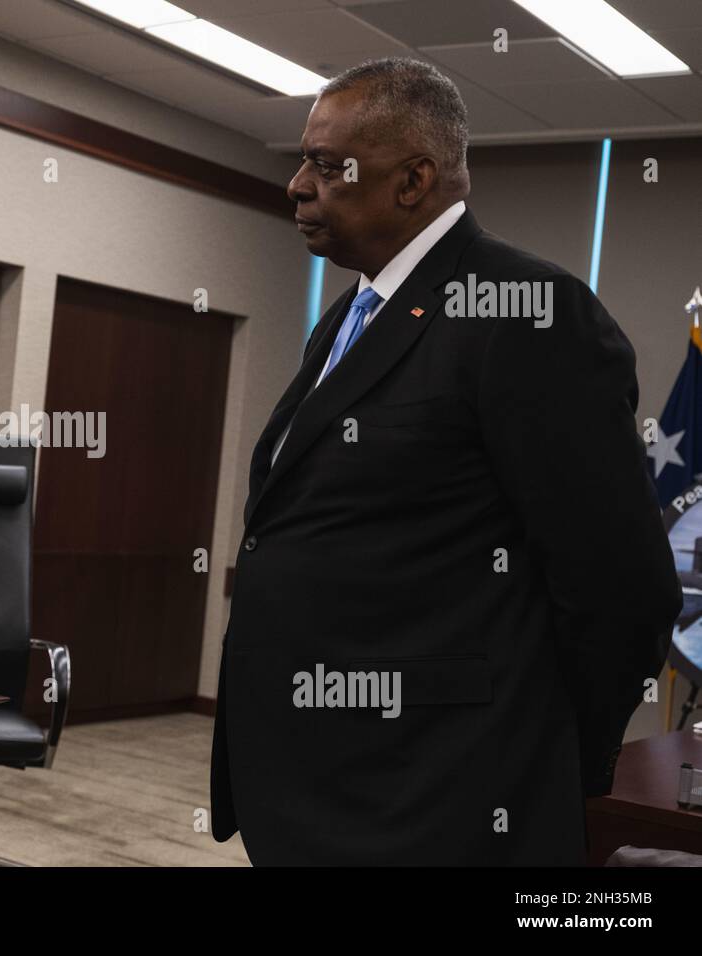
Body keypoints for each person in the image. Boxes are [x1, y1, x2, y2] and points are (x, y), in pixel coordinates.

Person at [210, 58, 681, 865]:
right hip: (314, 784)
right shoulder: (354, 313)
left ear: (413, 180)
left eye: (326, 166)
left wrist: (545, 762)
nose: (296, 185)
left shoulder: (526, 312)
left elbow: (623, 587)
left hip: (434, 802)